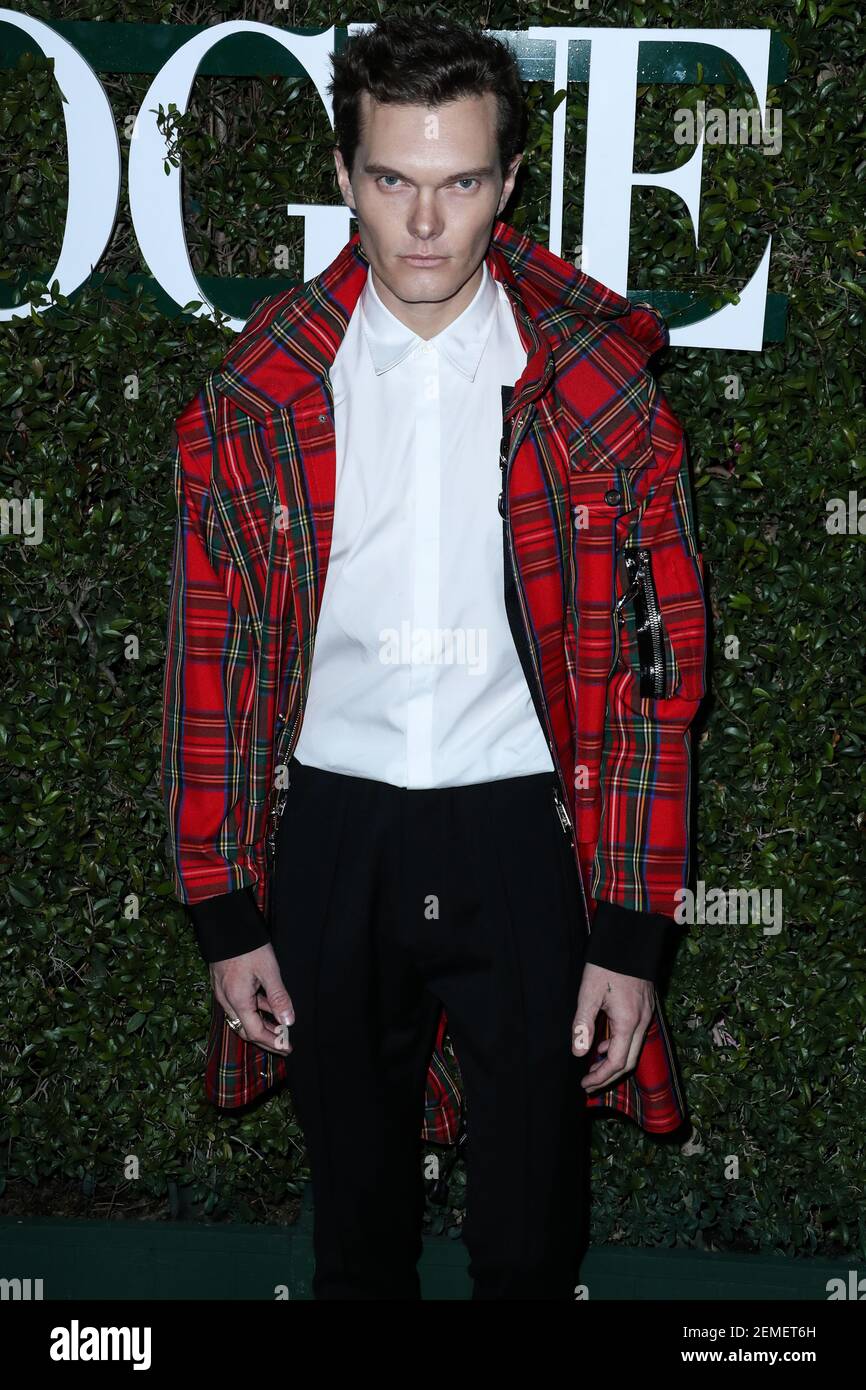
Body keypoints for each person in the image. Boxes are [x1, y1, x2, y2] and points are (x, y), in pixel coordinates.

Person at [160, 15, 707, 1300]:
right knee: (355, 1230)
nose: (423, 221)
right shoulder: (257, 399)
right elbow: (214, 659)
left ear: (506, 185)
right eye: (392, 180)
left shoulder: (597, 401)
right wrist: (222, 905)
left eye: (458, 181)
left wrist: (629, 934)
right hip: (332, 833)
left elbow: (649, 687)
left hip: (522, 831)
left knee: (529, 1233)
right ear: (345, 177)